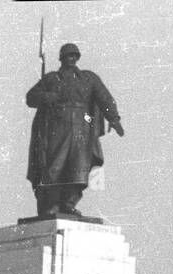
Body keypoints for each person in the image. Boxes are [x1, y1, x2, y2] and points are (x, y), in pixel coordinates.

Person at [26, 42, 124, 218]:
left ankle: (68, 204)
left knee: (78, 168)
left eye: (74, 56)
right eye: (67, 56)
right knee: (54, 168)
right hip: (57, 129)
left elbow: (105, 98)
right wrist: (48, 96)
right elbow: (31, 97)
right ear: (61, 58)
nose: (71, 59)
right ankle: (52, 205)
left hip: (82, 129)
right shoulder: (51, 79)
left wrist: (114, 118)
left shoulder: (89, 78)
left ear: (77, 58)